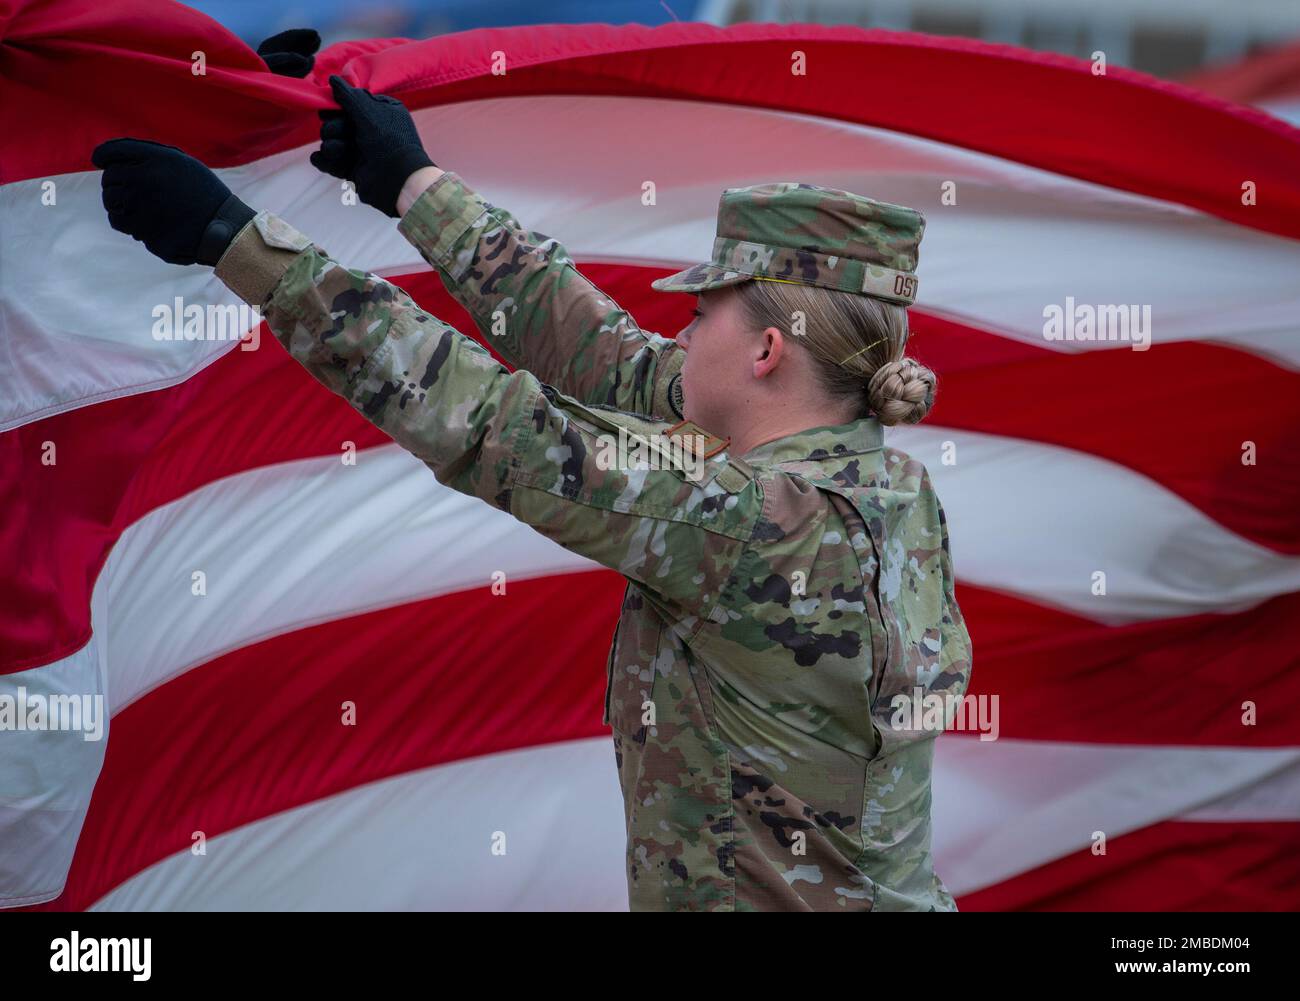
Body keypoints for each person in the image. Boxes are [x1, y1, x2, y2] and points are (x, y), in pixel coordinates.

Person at [92, 73, 973, 912]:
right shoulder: (887, 483)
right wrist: (412, 184)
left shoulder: (751, 519)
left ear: (767, 353)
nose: (679, 331)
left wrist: (240, 244)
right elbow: (606, 359)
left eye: (701, 314)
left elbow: (487, 421)